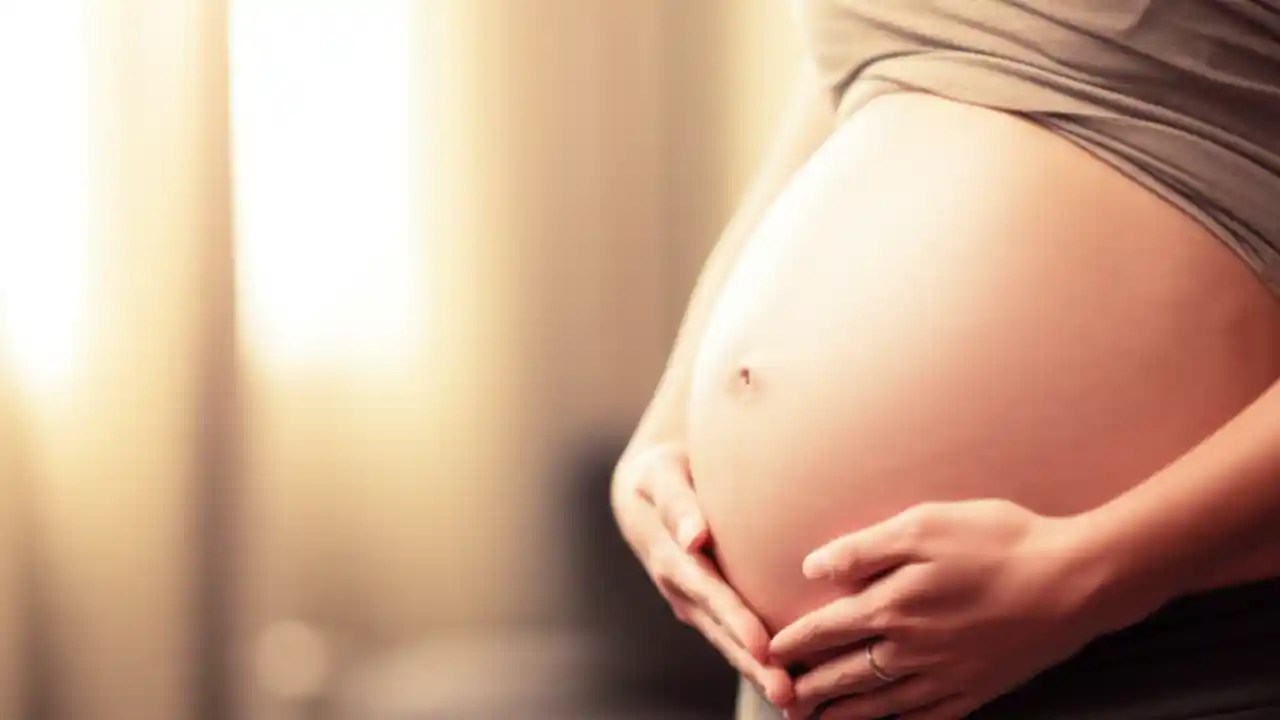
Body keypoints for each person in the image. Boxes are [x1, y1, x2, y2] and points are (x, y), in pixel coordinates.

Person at [611, 2, 1280, 719]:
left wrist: (1088, 571)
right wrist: (668, 422)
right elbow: (856, 74)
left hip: (1158, 642)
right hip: (789, 675)